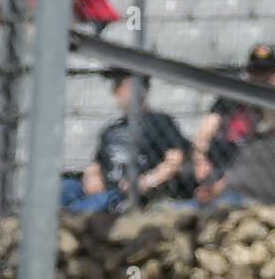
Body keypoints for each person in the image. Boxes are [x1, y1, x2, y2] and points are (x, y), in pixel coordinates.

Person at [195, 44, 275, 207]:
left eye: (266, 74)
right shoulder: (234, 101)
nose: (261, 79)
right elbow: (204, 133)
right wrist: (202, 161)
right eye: (256, 72)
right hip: (225, 171)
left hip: (250, 192)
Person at [62, 70, 192, 213]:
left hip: (130, 196)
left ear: (139, 87)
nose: (114, 90)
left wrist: (145, 182)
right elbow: (95, 164)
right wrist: (92, 176)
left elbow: (175, 161)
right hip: (105, 191)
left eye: (120, 85)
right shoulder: (111, 129)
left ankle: (60, 221)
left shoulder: (160, 122)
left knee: (98, 203)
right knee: (66, 187)